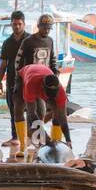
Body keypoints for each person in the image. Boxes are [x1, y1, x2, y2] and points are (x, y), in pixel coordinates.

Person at [13, 14, 59, 150]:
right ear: (38, 26)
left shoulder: (50, 41)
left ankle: (35, 139)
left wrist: (55, 76)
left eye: (49, 28)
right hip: (26, 81)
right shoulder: (28, 41)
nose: (46, 30)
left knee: (41, 111)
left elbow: (52, 60)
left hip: (42, 83)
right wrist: (18, 81)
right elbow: (18, 61)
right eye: (44, 27)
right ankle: (23, 145)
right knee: (20, 110)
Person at [15, 62, 71, 155]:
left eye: (53, 96)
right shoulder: (31, 84)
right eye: (48, 96)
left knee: (58, 113)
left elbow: (63, 118)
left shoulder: (61, 92)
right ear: (42, 88)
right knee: (18, 108)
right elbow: (31, 113)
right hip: (24, 75)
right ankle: (22, 146)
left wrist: (68, 140)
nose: (49, 99)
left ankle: (56, 145)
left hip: (41, 73)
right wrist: (45, 137)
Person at [0, 10, 27, 147]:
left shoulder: (30, 40)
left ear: (24, 24)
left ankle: (31, 136)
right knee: (13, 110)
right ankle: (15, 137)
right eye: (14, 24)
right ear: (11, 25)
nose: (17, 27)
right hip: (11, 81)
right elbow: (3, 63)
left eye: (19, 24)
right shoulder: (7, 43)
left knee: (32, 111)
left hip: (28, 81)